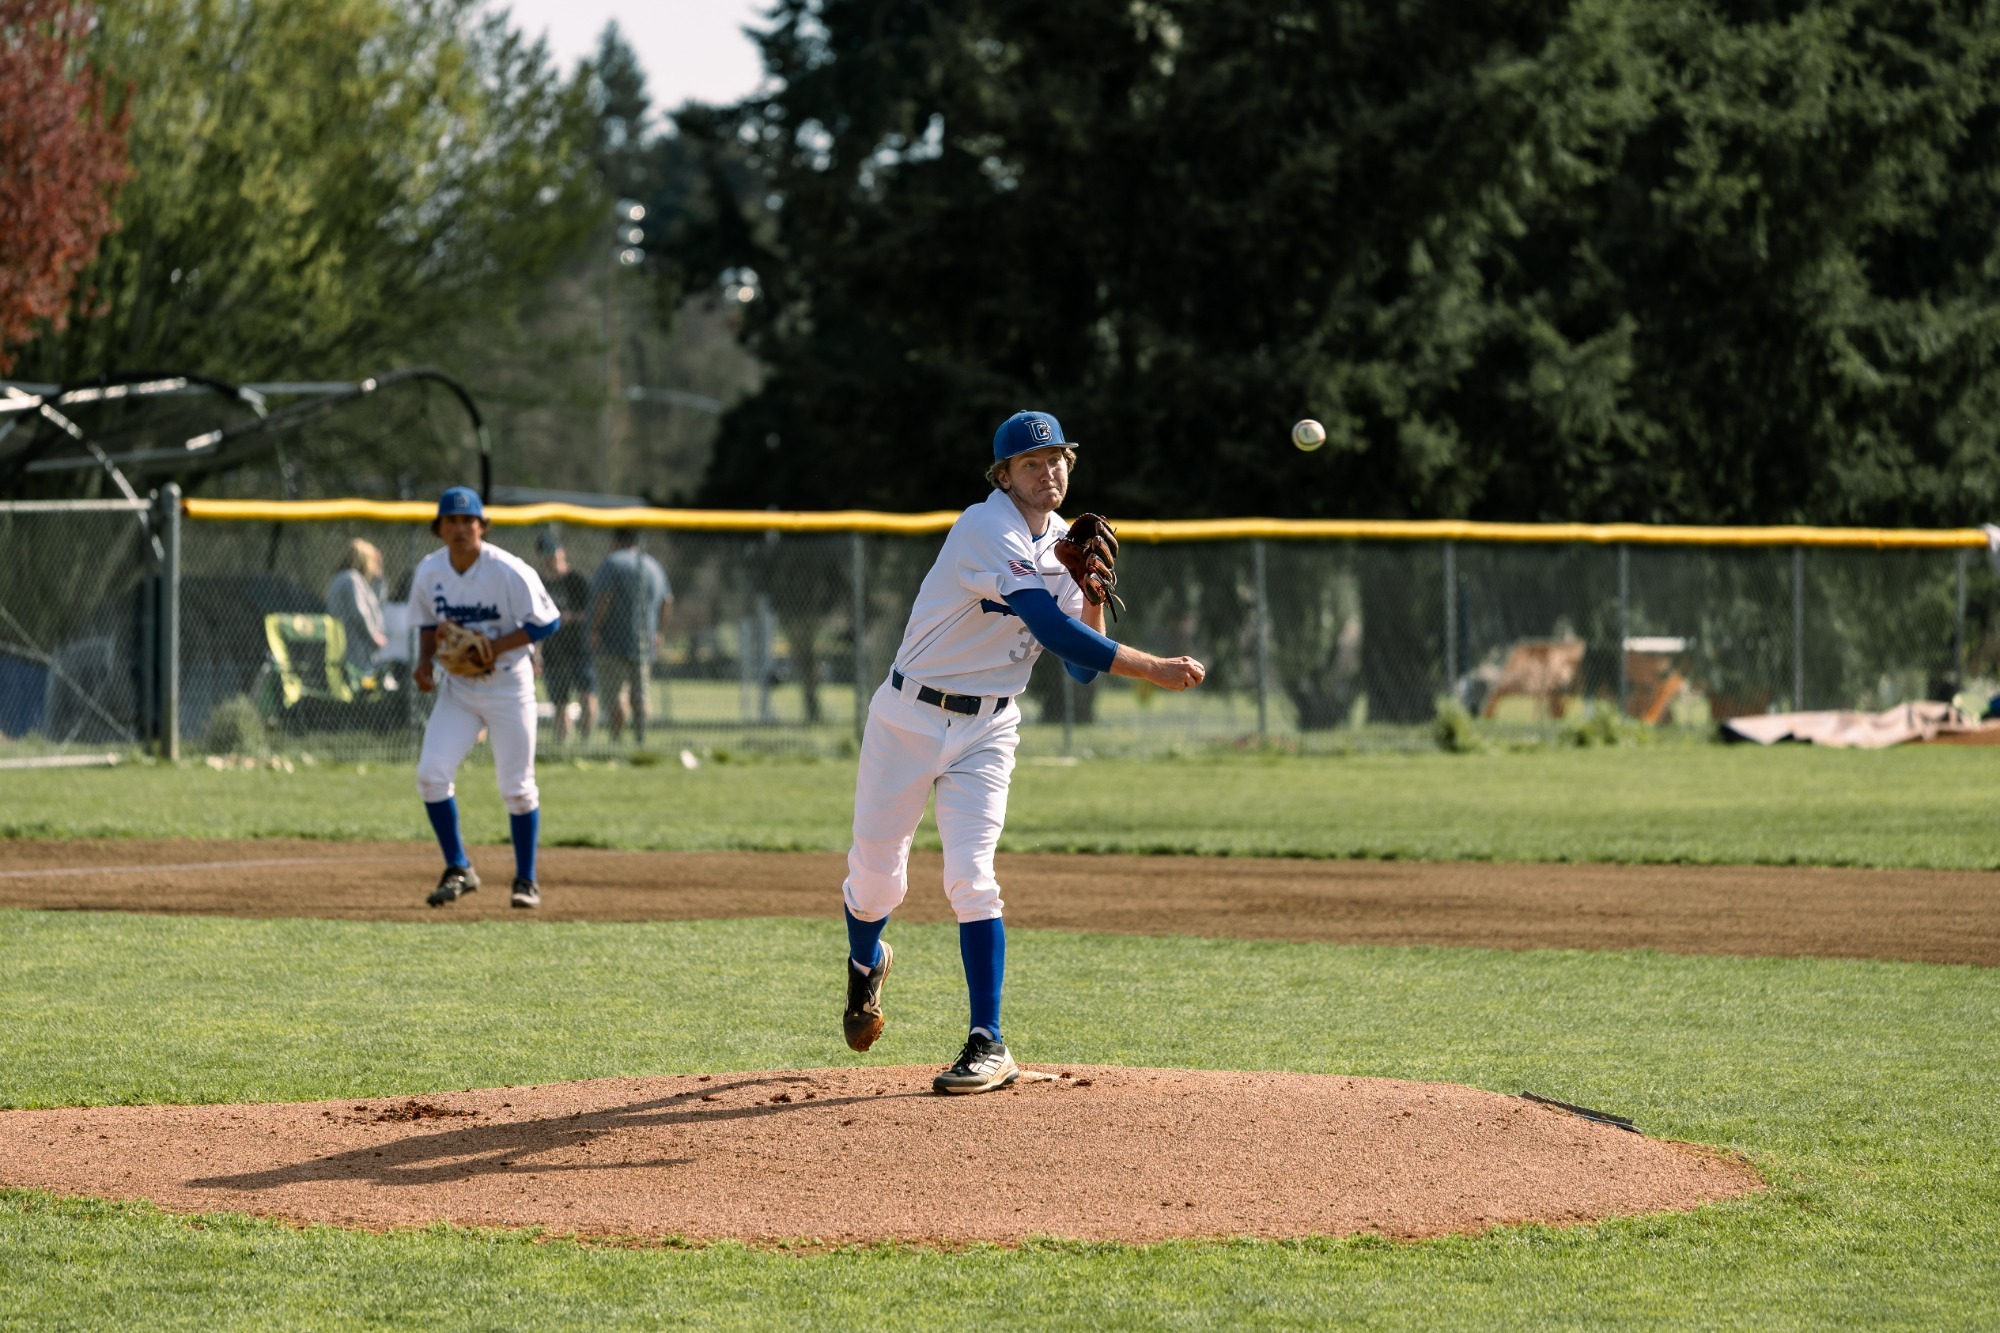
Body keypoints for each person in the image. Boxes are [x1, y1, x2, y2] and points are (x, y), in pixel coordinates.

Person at [841, 410, 1206, 1093]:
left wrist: (1092, 595)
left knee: (973, 877)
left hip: (989, 728)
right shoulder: (987, 526)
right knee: (877, 876)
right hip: (909, 718)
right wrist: (1152, 665)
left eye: (1059, 458)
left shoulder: (1066, 543)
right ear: (1003, 475)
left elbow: (1080, 668)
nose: (1051, 472)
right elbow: (1045, 625)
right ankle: (866, 962)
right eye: (1032, 463)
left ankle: (988, 1040)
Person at [413, 487, 561, 910]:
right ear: (439, 528)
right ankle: (459, 868)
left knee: (517, 788)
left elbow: (547, 622)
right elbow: (427, 623)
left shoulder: (508, 570)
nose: (459, 529)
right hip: (459, 688)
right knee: (431, 775)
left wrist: (494, 647)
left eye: (468, 521)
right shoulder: (430, 571)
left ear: (482, 527)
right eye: (451, 522)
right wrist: (424, 664)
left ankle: (526, 880)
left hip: (509, 684)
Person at [589, 528, 672, 746]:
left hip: (612, 642)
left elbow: (604, 599)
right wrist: (659, 633)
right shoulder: (653, 565)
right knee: (641, 695)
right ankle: (640, 740)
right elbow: (668, 601)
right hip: (644, 641)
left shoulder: (613, 563)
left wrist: (594, 629)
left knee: (617, 695)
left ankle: (616, 741)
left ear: (616, 541)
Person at [535, 530, 597, 742]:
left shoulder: (577, 579)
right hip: (554, 651)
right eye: (545, 553)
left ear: (562, 552)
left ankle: (586, 741)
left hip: (580, 649)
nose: (550, 558)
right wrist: (537, 652)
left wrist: (572, 617)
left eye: (553, 552)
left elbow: (594, 612)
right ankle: (562, 745)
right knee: (559, 702)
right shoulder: (540, 583)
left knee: (586, 695)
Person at [325, 539, 388, 679]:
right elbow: (360, 613)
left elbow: (376, 604)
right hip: (352, 645)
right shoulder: (351, 578)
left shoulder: (353, 579)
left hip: (354, 645)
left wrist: (379, 578)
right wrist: (373, 635)